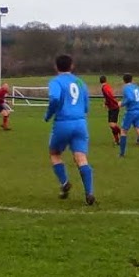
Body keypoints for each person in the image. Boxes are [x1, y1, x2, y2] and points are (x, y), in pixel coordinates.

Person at [45, 54, 96, 206]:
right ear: (71, 66)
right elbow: (87, 102)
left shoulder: (55, 82)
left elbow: (54, 98)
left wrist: (49, 114)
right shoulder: (80, 82)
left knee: (54, 154)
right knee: (81, 157)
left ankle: (65, 182)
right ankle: (89, 192)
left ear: (56, 67)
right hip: (80, 123)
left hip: (63, 123)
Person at [100, 76, 123, 144]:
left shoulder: (105, 87)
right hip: (111, 107)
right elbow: (108, 97)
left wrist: (116, 103)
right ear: (106, 80)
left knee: (112, 125)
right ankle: (117, 140)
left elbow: (110, 96)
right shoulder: (106, 86)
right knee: (112, 125)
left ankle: (122, 132)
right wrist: (106, 103)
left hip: (114, 107)